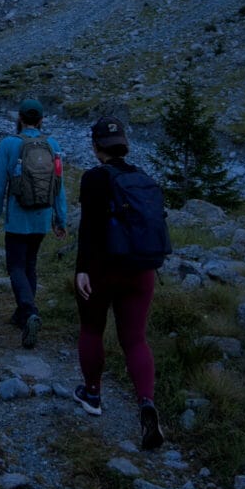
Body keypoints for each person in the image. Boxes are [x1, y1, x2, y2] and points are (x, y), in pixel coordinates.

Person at [73, 115, 166, 451]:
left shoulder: (93, 178)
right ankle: (146, 402)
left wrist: (82, 268)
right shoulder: (142, 178)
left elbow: (90, 228)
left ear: (96, 147)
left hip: (101, 269)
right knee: (135, 339)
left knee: (92, 329)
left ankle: (92, 394)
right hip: (141, 269)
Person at [0, 98, 67, 348]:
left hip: (17, 217)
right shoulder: (53, 144)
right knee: (30, 264)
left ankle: (30, 311)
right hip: (42, 217)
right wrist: (60, 219)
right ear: (41, 120)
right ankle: (23, 315)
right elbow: (59, 186)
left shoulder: (9, 144)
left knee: (15, 266)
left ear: (20, 118)